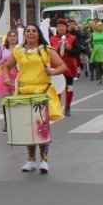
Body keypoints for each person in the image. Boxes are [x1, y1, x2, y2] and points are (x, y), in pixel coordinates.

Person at [10, 26, 68, 173]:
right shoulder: (18, 50)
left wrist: (53, 71)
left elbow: (63, 66)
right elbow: (6, 66)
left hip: (43, 91)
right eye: (28, 31)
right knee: (28, 127)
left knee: (42, 126)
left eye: (34, 31)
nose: (30, 33)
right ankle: (30, 160)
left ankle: (44, 160)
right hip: (24, 91)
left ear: (38, 34)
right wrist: (5, 78)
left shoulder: (47, 50)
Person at [49, 19, 80, 116]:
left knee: (69, 87)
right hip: (56, 66)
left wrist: (70, 48)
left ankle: (67, 106)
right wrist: (54, 49)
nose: (60, 28)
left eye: (62, 26)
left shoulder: (72, 38)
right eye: (58, 26)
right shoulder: (52, 39)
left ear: (66, 28)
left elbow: (77, 52)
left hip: (69, 66)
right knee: (57, 87)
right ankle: (57, 106)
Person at [89, 19, 103, 84]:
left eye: (101, 26)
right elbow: (90, 42)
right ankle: (100, 78)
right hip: (96, 49)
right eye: (98, 26)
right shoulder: (93, 34)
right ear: (96, 27)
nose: (100, 27)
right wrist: (90, 48)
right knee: (98, 65)